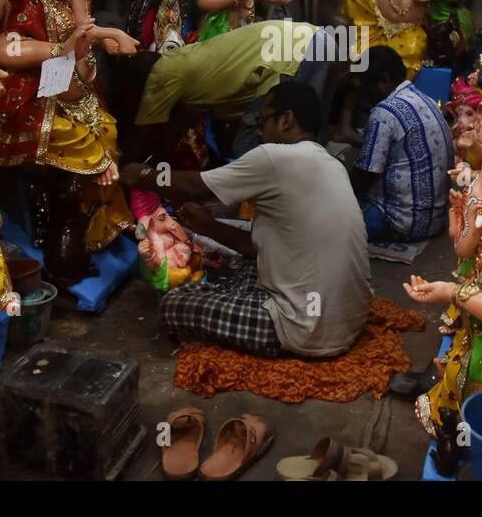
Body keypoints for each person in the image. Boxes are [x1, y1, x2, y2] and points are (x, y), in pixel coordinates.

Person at [120, 82, 371, 358]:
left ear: (286, 120)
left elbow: (194, 186)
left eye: (262, 122)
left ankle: (275, 327)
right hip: (350, 319)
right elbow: (260, 247)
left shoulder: (274, 157)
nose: (260, 133)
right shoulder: (331, 163)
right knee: (243, 267)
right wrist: (209, 227)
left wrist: (141, 175)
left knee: (174, 303)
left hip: (306, 331)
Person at [113, 18, 350, 160]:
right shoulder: (183, 63)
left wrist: (121, 169)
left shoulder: (161, 74)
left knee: (251, 147)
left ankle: (261, 210)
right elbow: (172, 133)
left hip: (296, 54)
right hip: (316, 39)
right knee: (308, 139)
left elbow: (140, 139)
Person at [349, 46, 454, 244]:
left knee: (329, 214)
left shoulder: (384, 112)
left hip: (402, 223)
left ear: (384, 80)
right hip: (435, 220)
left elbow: (365, 174)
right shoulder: (425, 99)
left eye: (366, 85)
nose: (365, 94)